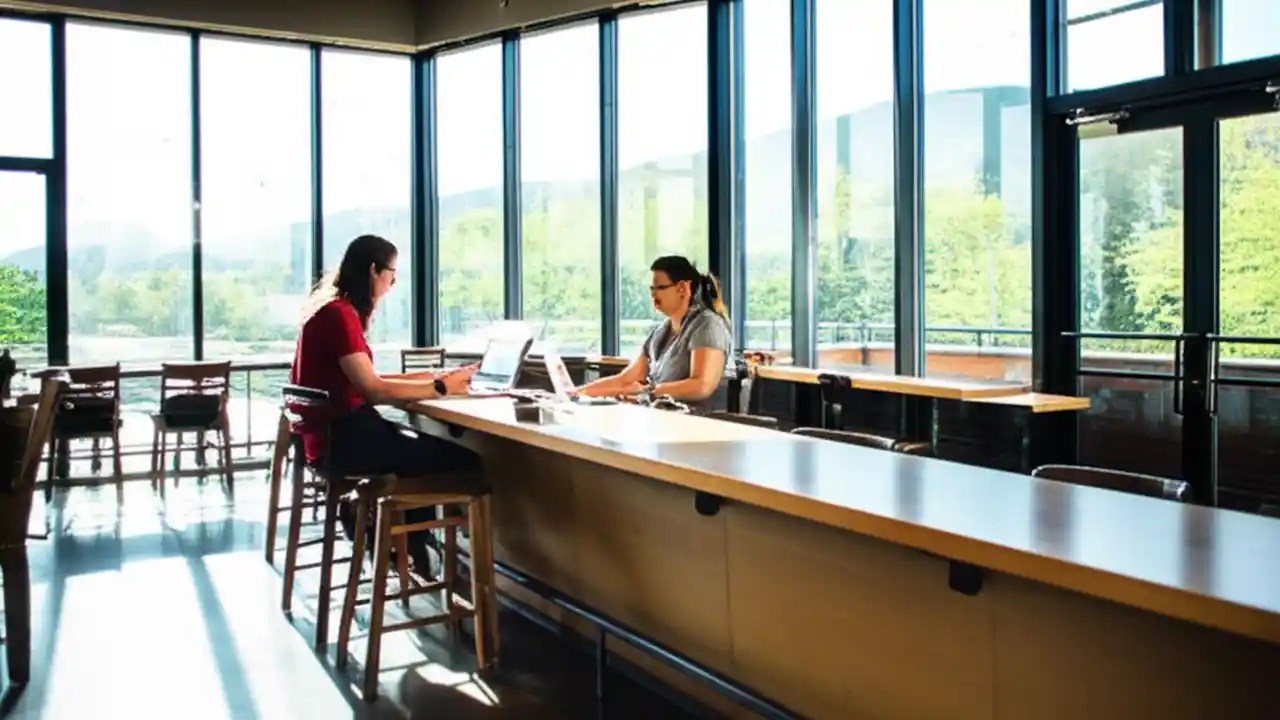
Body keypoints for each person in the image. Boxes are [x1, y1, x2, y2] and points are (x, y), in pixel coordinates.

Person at [289, 234, 478, 574]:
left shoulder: (331, 311)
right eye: (392, 273)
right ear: (374, 271)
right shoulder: (340, 316)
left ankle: (409, 548)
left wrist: (433, 378)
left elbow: (365, 379)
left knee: (419, 451)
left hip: (332, 440)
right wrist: (439, 388)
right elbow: (373, 390)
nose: (393, 283)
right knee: (465, 462)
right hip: (346, 440)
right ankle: (423, 553)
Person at [576, 255, 734, 411]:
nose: (653, 294)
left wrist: (648, 392)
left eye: (660, 288)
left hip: (696, 426)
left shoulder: (708, 325)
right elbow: (626, 380)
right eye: (652, 288)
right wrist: (578, 392)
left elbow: (701, 386)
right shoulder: (661, 332)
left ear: (683, 288)